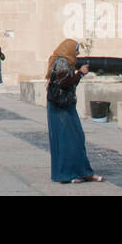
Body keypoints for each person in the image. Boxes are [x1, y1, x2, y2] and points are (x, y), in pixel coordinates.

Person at [46, 39, 103, 183]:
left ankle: (80, 172)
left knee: (76, 138)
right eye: (76, 49)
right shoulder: (62, 62)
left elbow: (68, 82)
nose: (77, 53)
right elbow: (65, 83)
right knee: (67, 139)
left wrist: (78, 74)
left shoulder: (66, 62)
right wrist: (80, 73)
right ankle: (69, 174)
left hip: (65, 105)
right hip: (60, 106)